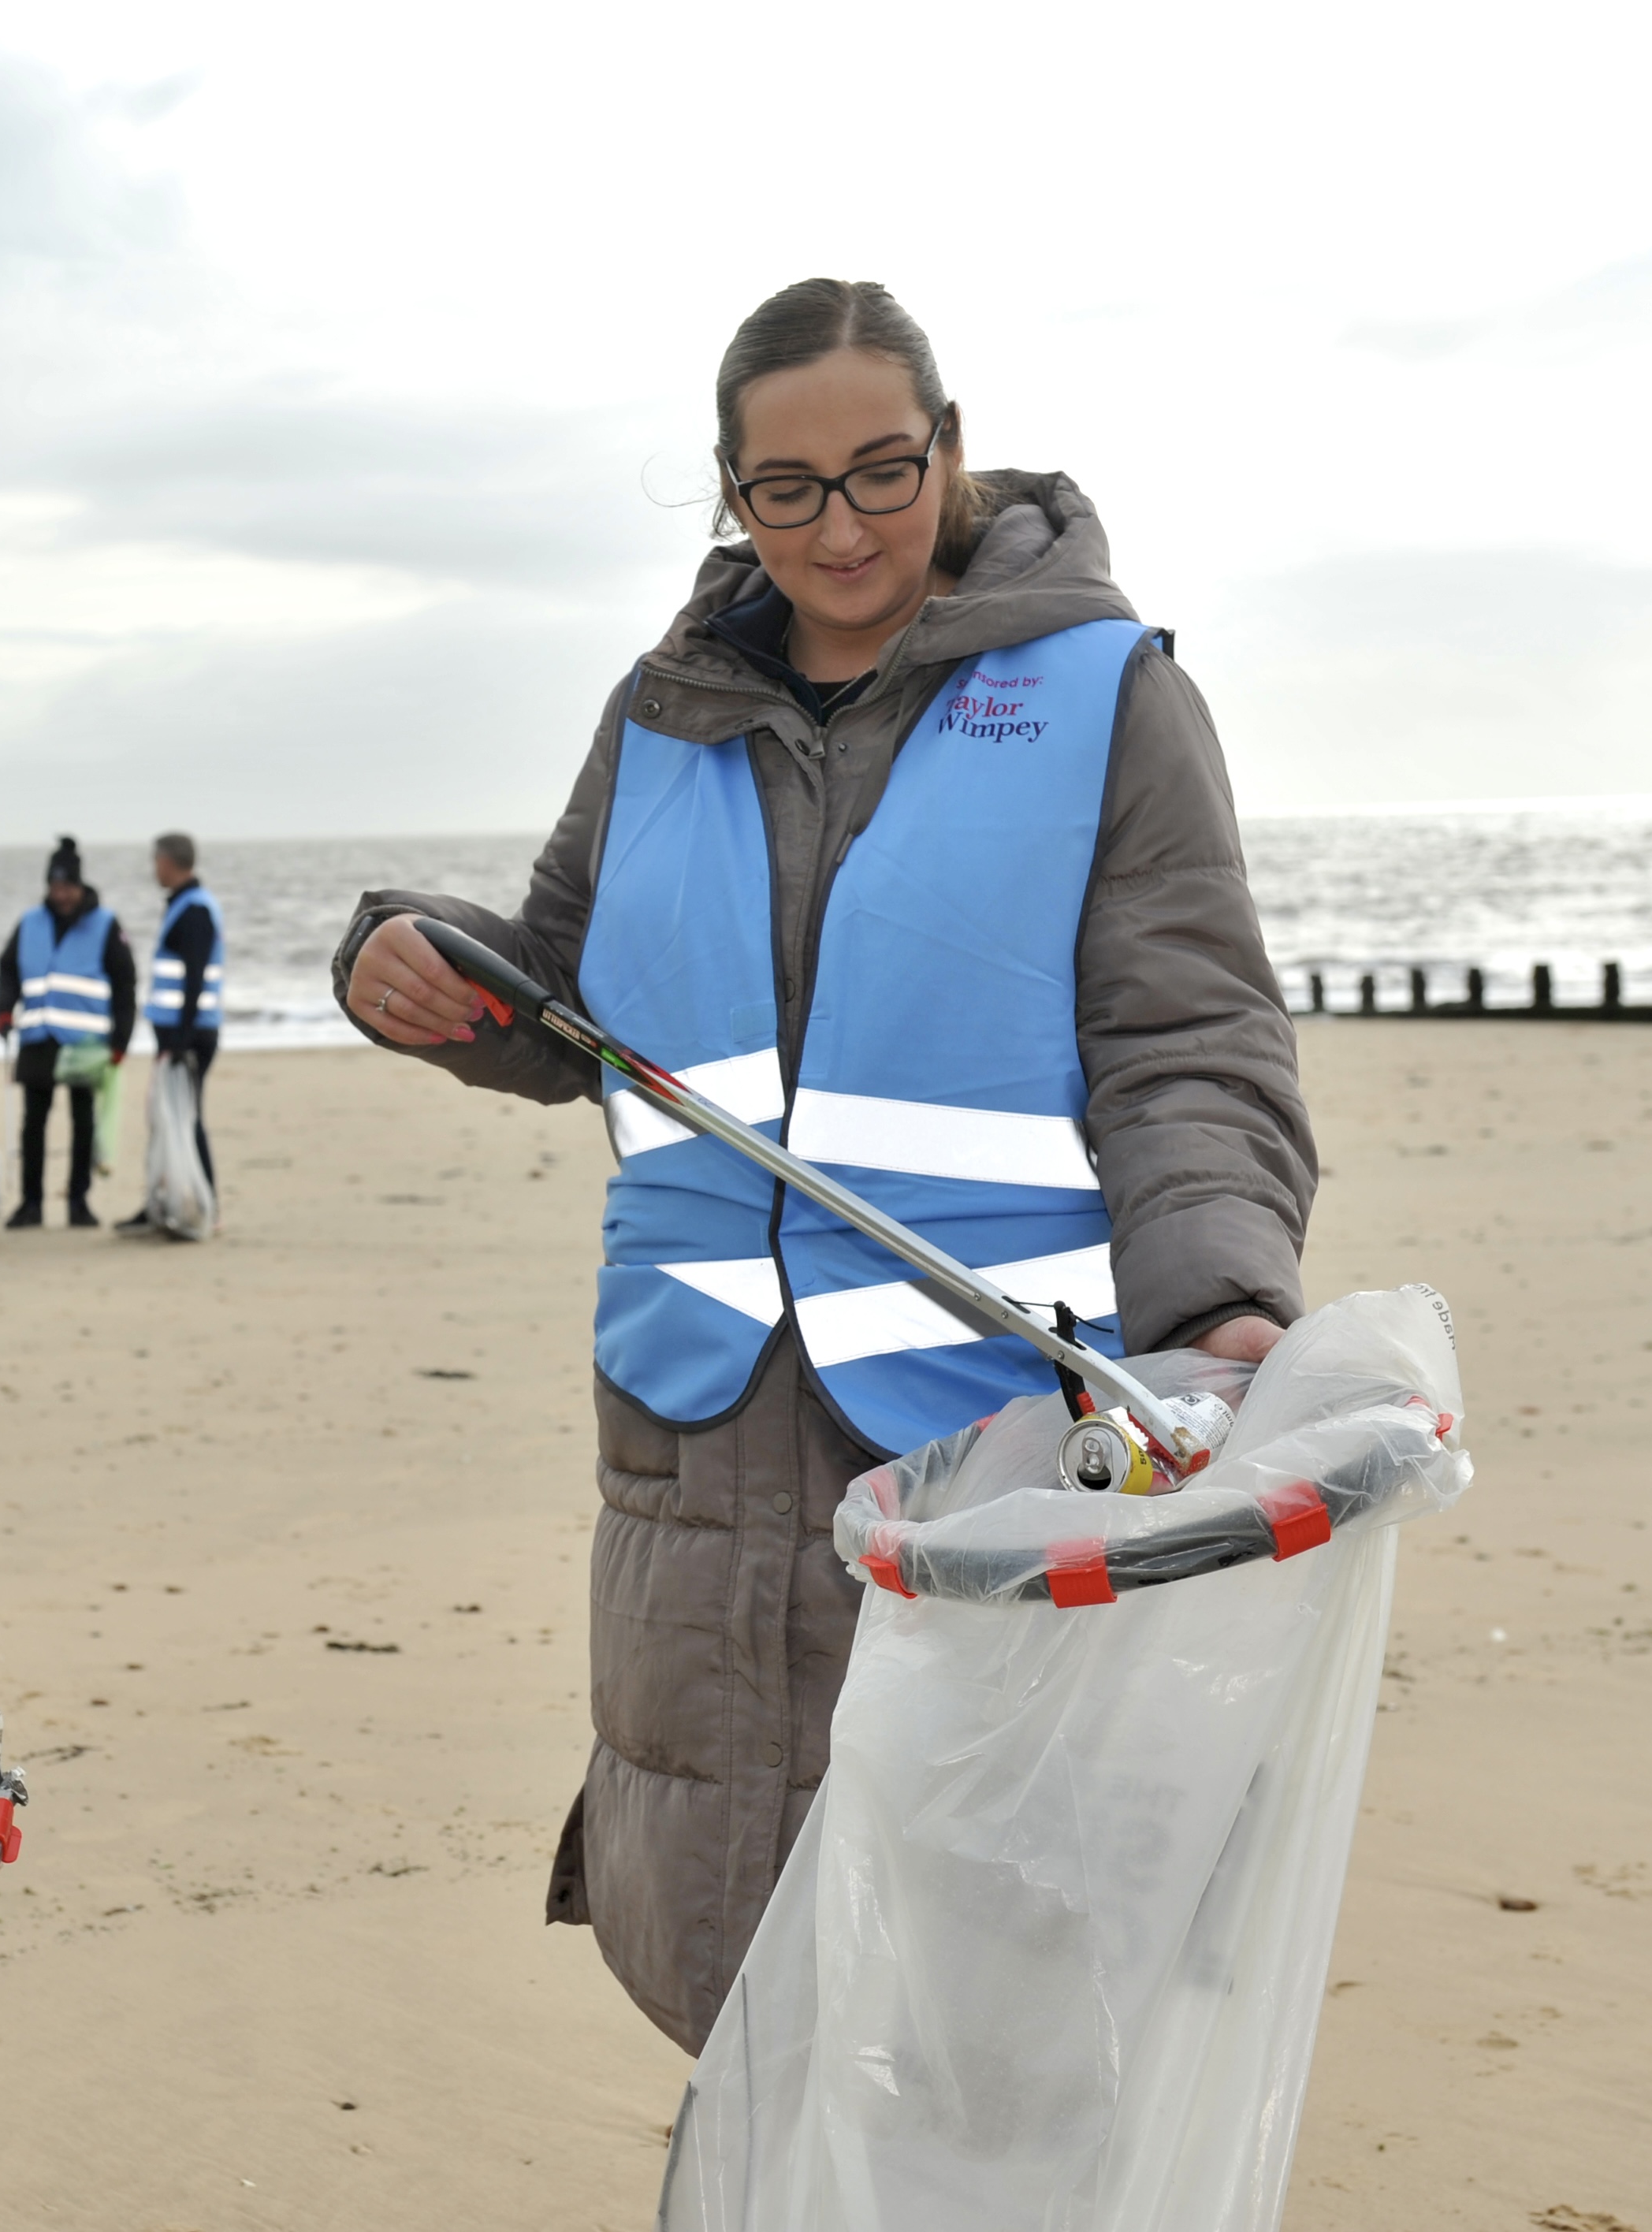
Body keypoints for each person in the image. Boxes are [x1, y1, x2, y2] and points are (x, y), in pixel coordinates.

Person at [336, 277, 1318, 2053]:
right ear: (730, 492)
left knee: (979, 1984)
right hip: (696, 1444)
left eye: (881, 471)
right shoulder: (663, 710)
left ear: (950, 446)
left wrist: (1226, 1302)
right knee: (734, 1976)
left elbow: (1189, 1042)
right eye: (785, 489)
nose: (842, 527)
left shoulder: (1113, 694)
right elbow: (570, 1004)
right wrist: (413, 965)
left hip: (989, 1431)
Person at [0, 835, 133, 1229]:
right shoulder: (30, 923)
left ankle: (78, 1201)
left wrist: (121, 1041)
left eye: (68, 886)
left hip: (85, 1042)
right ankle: (30, 1203)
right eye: (56, 886)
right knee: (33, 1123)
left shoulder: (105, 924)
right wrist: (3, 1011)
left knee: (83, 1121)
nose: (62, 894)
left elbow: (125, 984)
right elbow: (7, 970)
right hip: (38, 1037)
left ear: (80, 885)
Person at [121, 829, 221, 1230]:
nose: (153, 869)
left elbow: (195, 977)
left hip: (189, 1036)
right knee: (167, 1118)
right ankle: (164, 1203)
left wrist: (179, 1042)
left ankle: (206, 1207)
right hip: (179, 1034)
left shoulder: (194, 909)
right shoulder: (182, 904)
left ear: (167, 861)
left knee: (186, 1118)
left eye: (155, 860)